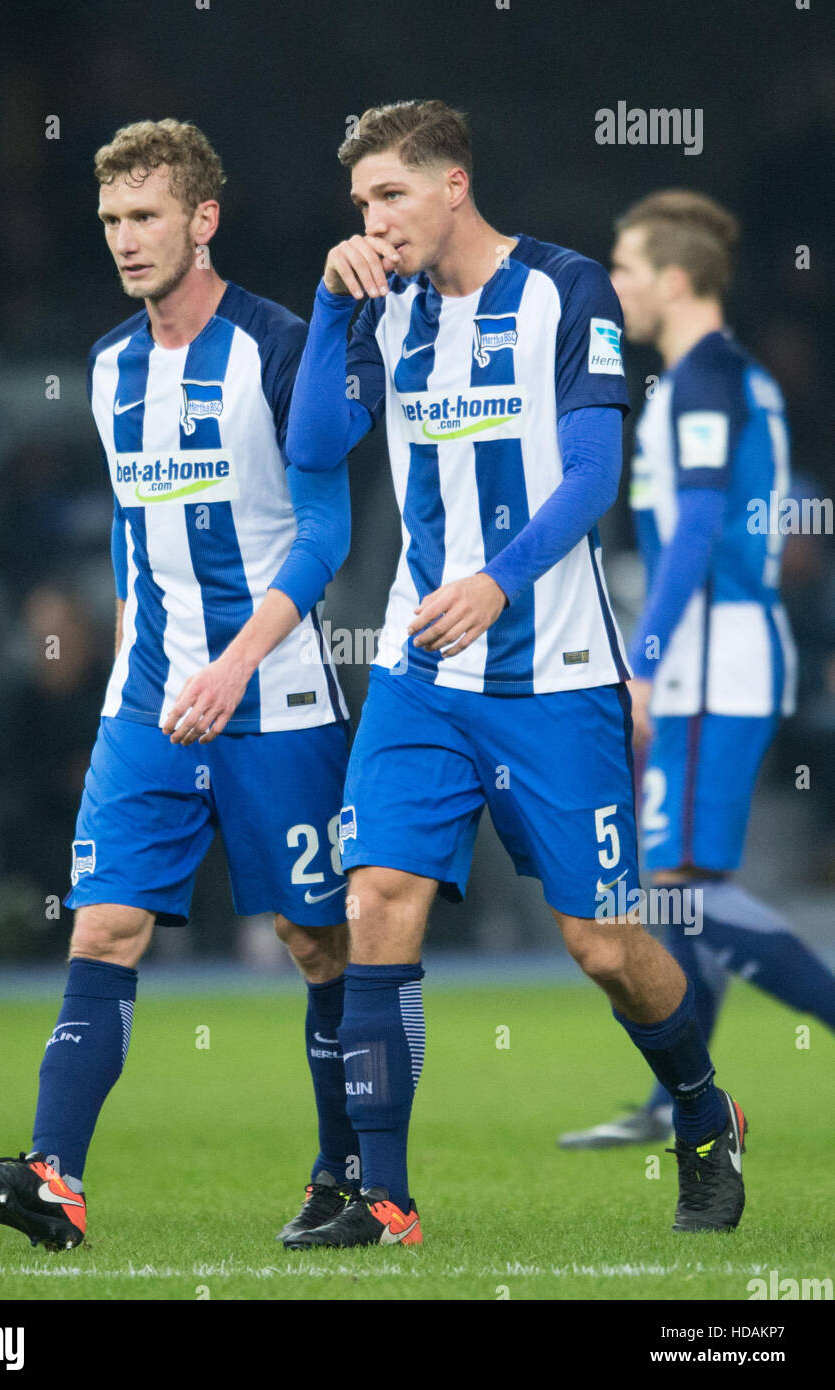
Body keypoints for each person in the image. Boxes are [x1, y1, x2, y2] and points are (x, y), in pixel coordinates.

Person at [283, 101, 747, 1248]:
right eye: (358, 205)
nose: (373, 221)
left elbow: (592, 471)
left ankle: (699, 1109)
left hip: (555, 672)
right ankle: (384, 1199)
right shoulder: (374, 305)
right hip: (415, 667)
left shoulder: (562, 290)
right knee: (374, 901)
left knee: (600, 943)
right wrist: (327, 304)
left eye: (389, 195)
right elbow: (309, 448)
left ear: (452, 184)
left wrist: (499, 577)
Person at [0, 119, 358, 1249]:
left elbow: (325, 530)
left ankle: (347, 1177)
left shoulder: (278, 348)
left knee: (317, 944)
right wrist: (135, 675)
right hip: (151, 707)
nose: (127, 241)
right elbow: (140, 540)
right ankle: (54, 1177)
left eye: (147, 217)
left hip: (273, 701)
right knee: (103, 929)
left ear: (202, 220)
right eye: (113, 221)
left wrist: (234, 662)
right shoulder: (106, 367)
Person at [558, 190, 835, 1149]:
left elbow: (699, 530)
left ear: (674, 280)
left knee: (684, 888)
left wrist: (646, 657)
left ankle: (698, 1094)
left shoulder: (708, 378)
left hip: (715, 661)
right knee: (676, 881)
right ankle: (687, 1098)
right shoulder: (710, 378)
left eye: (627, 269)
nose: (615, 287)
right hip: (712, 660)